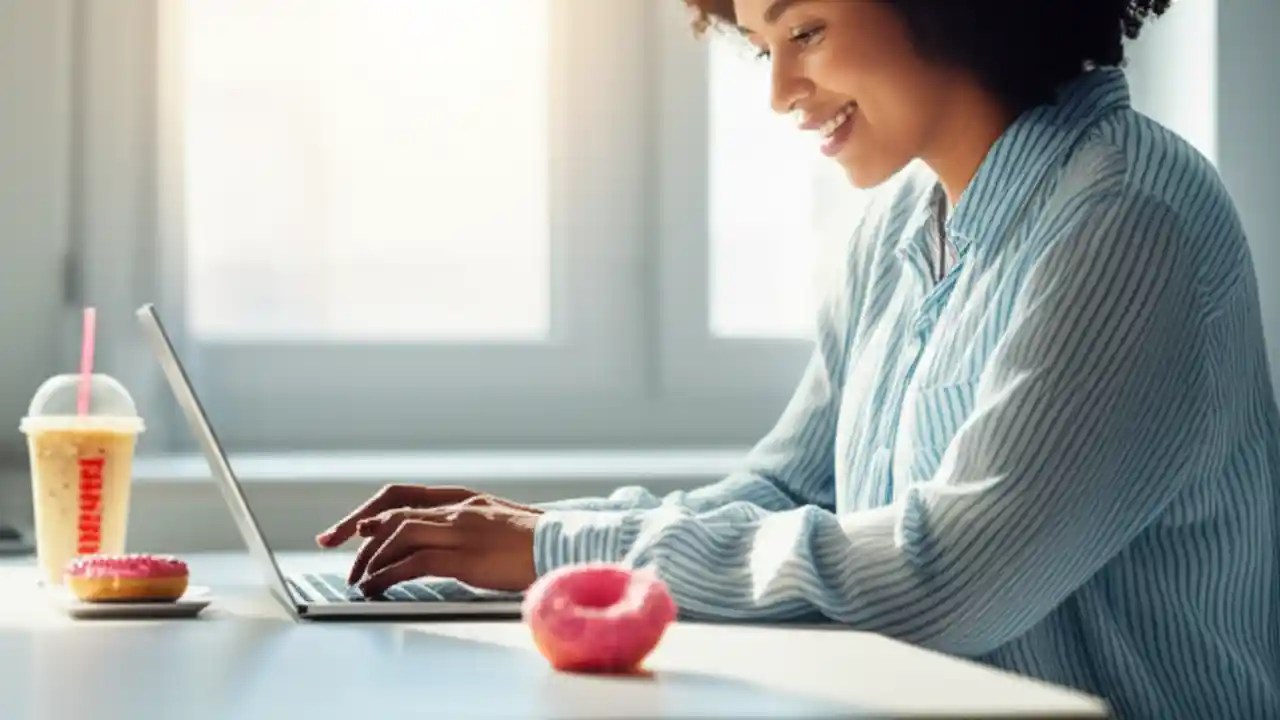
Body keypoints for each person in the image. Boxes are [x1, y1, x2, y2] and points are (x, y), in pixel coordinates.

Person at [316, 1, 1279, 716]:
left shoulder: (1125, 220)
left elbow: (951, 579)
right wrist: (518, 550)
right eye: (763, 47)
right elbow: (786, 489)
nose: (778, 92)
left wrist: (566, 553)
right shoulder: (903, 223)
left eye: (805, 32)